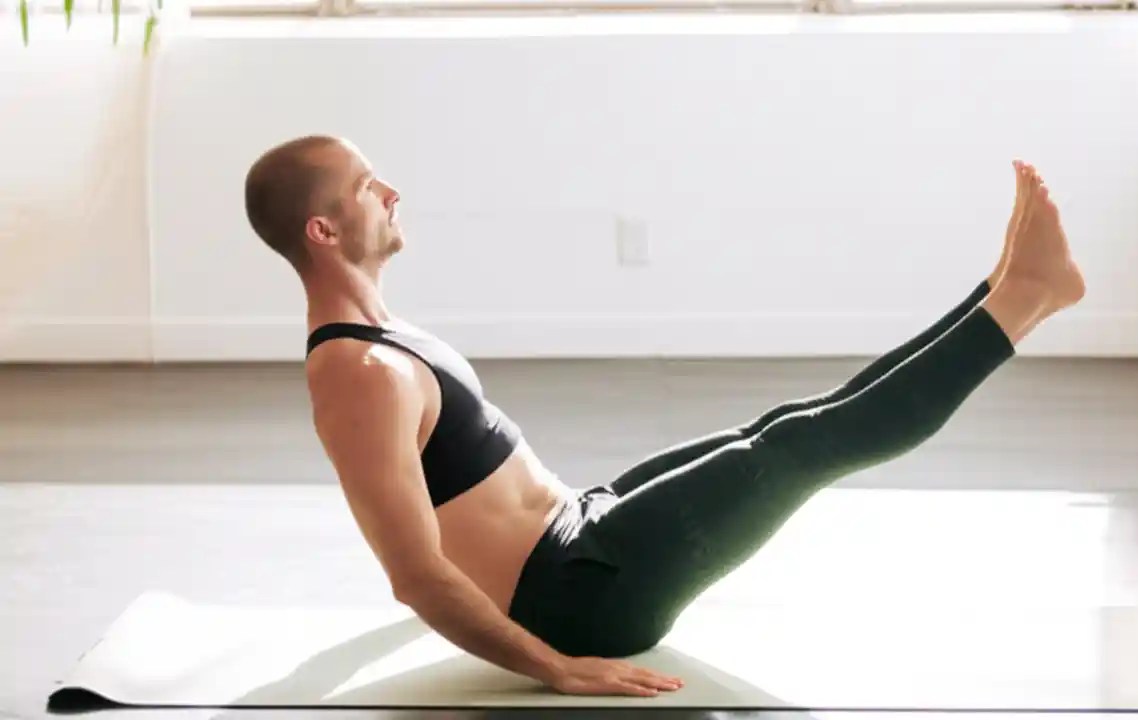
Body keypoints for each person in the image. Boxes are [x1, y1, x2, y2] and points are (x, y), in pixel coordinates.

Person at [243, 135, 1085, 699]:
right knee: (801, 448)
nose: (391, 192)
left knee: (787, 424)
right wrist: (559, 668)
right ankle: (1020, 301)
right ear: (323, 230)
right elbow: (413, 571)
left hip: (582, 527)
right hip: (580, 595)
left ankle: (1004, 289)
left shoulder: (379, 340)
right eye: (367, 187)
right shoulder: (357, 376)